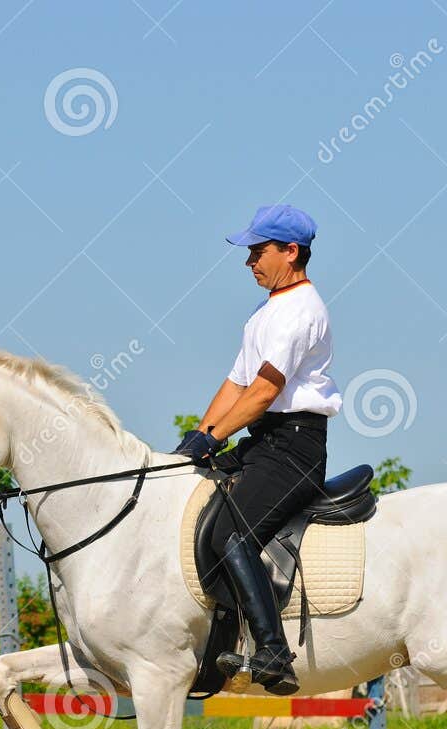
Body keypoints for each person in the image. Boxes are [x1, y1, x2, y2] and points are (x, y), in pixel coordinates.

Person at [173, 204, 340, 695]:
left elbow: (264, 393)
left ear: (291, 252)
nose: (249, 261)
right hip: (263, 441)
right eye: (249, 252)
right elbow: (235, 383)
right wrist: (194, 441)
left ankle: (272, 651)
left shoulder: (302, 311)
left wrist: (216, 436)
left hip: (294, 448)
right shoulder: (264, 313)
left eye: (258, 251)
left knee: (231, 535)